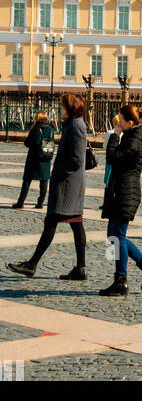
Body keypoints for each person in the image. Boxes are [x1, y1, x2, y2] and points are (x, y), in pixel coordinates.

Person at [8, 92, 88, 281]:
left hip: (67, 184)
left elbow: (77, 159)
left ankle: (32, 265)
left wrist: (59, 174)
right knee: (76, 224)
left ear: (70, 108)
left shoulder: (76, 126)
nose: (61, 109)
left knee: (52, 221)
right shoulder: (75, 124)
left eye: (63, 106)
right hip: (70, 183)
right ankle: (81, 268)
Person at [98, 104, 142, 296]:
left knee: (118, 236)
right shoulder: (133, 136)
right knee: (113, 236)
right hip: (121, 190)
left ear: (130, 122)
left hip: (126, 192)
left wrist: (115, 136)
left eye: (121, 120)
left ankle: (121, 281)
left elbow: (112, 157)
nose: (118, 122)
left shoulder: (133, 140)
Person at [12, 110, 55, 210]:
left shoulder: (36, 129)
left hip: (34, 159)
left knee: (27, 180)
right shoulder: (51, 130)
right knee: (44, 181)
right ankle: (40, 203)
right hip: (46, 158)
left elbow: (27, 143)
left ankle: (20, 202)